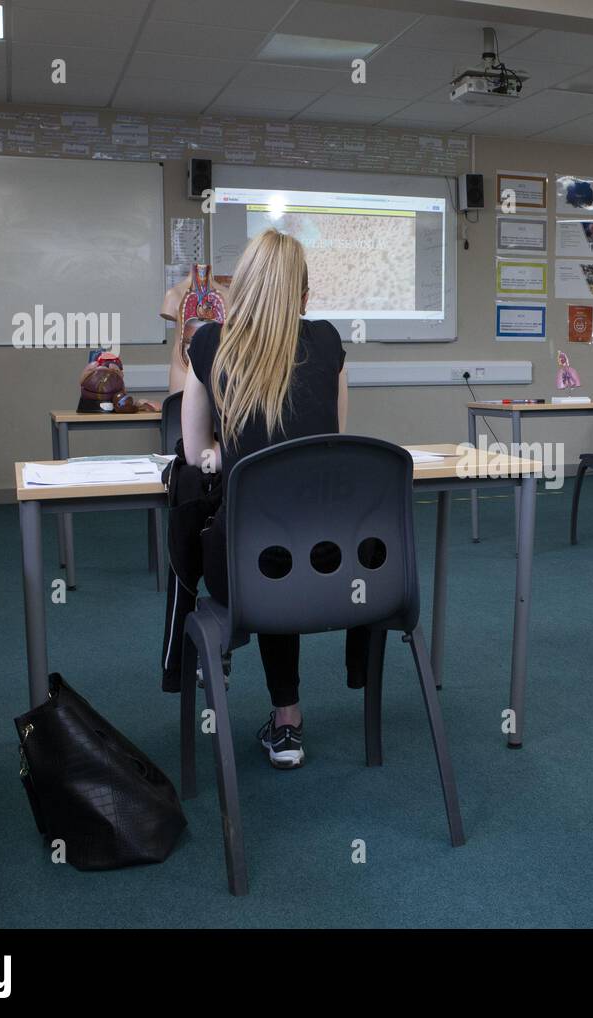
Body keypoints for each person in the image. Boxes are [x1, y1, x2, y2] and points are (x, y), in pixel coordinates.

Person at [181, 229, 360, 769]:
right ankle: (288, 725)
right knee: (285, 535)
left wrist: (221, 453)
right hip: (333, 562)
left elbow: (193, 451)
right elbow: (334, 442)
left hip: (244, 569)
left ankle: (222, 640)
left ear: (245, 289)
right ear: (304, 297)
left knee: (231, 524)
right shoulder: (328, 342)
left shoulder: (210, 342)